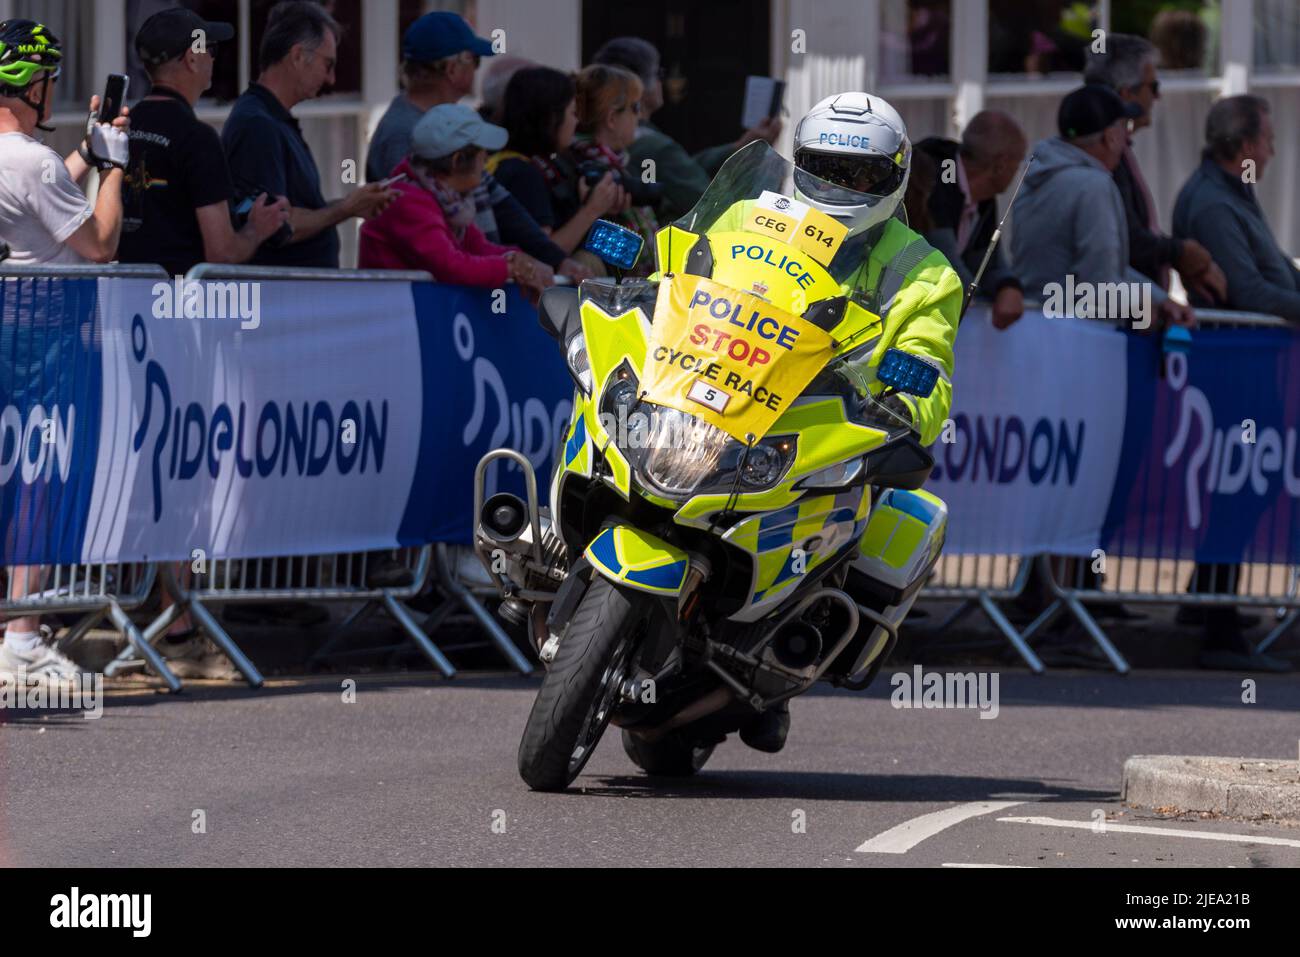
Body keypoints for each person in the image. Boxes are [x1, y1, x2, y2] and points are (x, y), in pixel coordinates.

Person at [742, 92, 962, 753]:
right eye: (826, 168)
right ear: (799, 164)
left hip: (831, 425)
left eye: (860, 174)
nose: (842, 185)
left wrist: (904, 405)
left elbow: (928, 363)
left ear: (893, 178)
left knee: (858, 531)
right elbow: (681, 277)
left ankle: (771, 672)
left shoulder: (925, 271)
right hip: (727, 393)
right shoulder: (747, 220)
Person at [0, 18, 129, 684]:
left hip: (9, 329)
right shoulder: (31, 161)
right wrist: (113, 164)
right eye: (50, 79)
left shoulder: (19, 159)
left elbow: (39, 209)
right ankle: (21, 636)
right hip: (40, 339)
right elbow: (100, 243)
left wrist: (83, 151)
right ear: (31, 82)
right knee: (36, 481)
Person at [365, 12, 582, 282]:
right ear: (452, 68)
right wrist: (511, 267)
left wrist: (548, 259)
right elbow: (444, 257)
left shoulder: (451, 136)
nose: (477, 71)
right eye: (475, 61)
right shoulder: (402, 137)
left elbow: (495, 201)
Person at [118, 7, 291, 277]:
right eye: (210, 49)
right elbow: (221, 253)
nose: (213, 58)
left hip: (129, 301)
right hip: (179, 306)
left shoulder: (123, 126)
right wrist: (256, 229)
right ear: (192, 59)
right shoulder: (197, 138)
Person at [222, 0, 395, 268]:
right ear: (298, 56)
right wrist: (345, 208)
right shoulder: (258, 124)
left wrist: (351, 206)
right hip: (282, 302)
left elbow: (291, 211)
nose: (332, 79)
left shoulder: (271, 119)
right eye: (328, 64)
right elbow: (278, 226)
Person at [1012, 84, 1192, 328]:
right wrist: (1141, 306)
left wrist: (1160, 300)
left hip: (1032, 328)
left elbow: (1106, 270)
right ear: (1110, 137)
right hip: (1078, 340)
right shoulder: (1093, 186)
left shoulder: (1035, 178)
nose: (1128, 138)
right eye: (1124, 127)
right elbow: (1100, 284)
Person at [1085, 33, 1225, 304]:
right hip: (1117, 318)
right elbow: (1127, 240)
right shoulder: (1104, 159)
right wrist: (1180, 253)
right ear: (1127, 94)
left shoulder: (1118, 152)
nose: (1158, 97)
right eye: (1153, 87)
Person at [359, 103, 547, 294]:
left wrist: (518, 259)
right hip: (395, 315)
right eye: (483, 154)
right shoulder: (406, 199)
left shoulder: (445, 198)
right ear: (458, 160)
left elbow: (477, 246)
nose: (486, 161)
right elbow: (451, 266)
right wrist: (510, 268)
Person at [592, 36, 782, 223]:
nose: (662, 82)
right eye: (659, 73)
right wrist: (759, 162)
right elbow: (715, 210)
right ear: (639, 84)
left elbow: (686, 168)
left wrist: (740, 146)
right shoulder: (654, 146)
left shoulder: (595, 137)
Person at [1173, 95, 1300, 322]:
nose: (1272, 152)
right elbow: (1248, 293)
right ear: (1247, 147)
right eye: (1268, 141)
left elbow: (1273, 263)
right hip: (1240, 345)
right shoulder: (1213, 206)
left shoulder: (1238, 192)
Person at [489, 66, 626, 259]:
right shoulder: (523, 174)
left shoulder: (502, 160)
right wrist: (591, 211)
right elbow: (543, 254)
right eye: (572, 113)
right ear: (551, 118)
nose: (576, 122)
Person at [916, 110, 1028, 328]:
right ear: (1001, 164)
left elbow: (988, 264)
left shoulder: (983, 198)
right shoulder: (930, 184)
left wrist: (1008, 287)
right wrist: (990, 299)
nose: (1019, 171)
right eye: (1019, 161)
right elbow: (947, 268)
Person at [570, 64, 657, 275]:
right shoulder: (585, 171)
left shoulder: (617, 164)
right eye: (635, 107)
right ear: (611, 119)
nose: (641, 116)